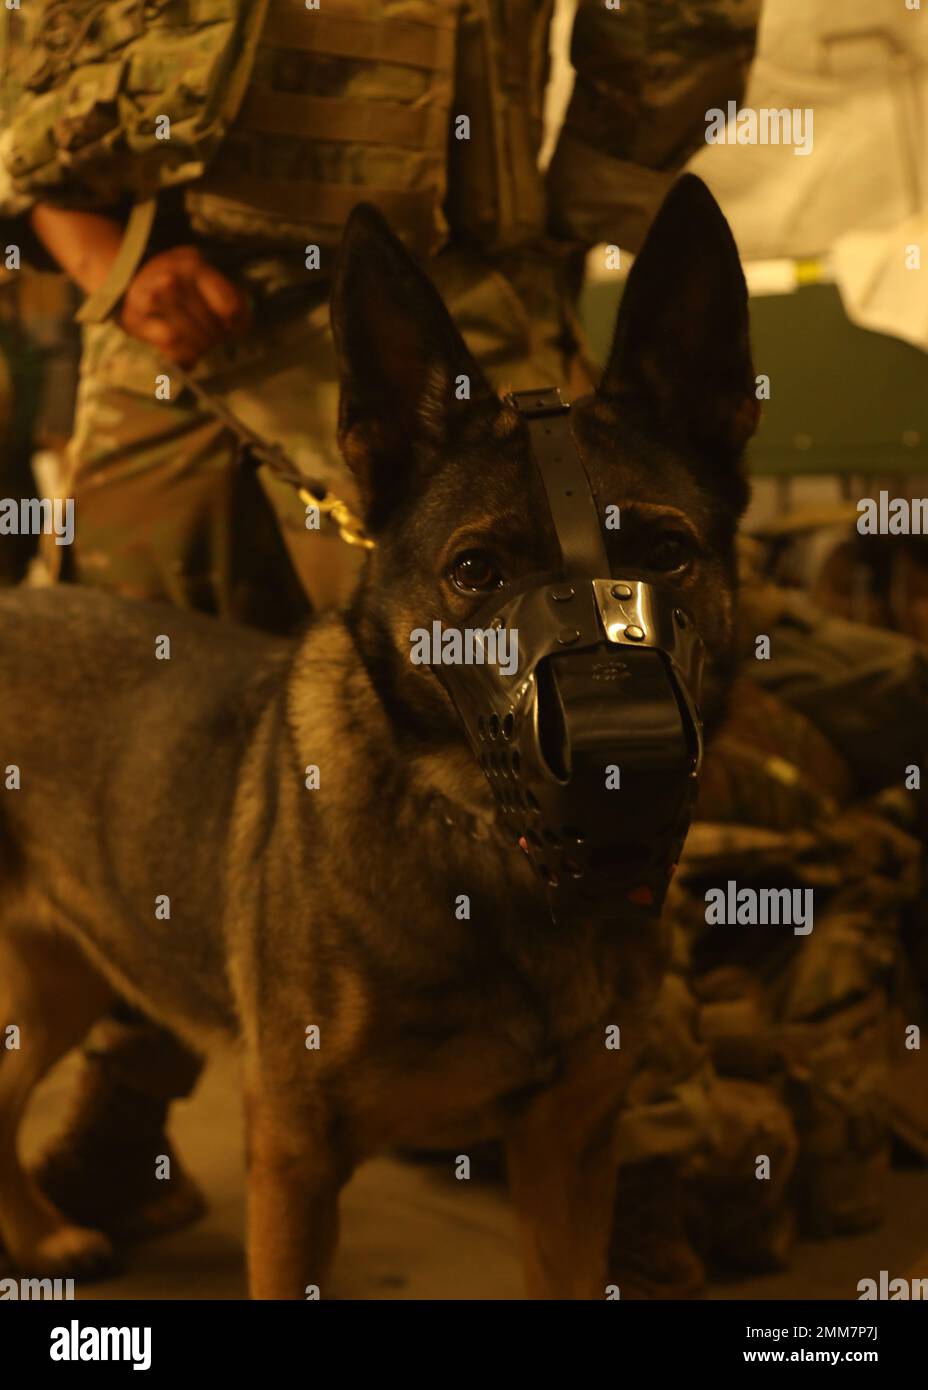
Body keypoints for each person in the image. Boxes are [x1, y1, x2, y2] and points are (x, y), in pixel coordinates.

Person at [0, 0, 761, 1249]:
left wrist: (587, 210)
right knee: (137, 778)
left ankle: (629, 1136)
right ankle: (134, 1107)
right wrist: (108, 262)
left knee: (566, 714)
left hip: (448, 276)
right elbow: (38, 93)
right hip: (164, 299)